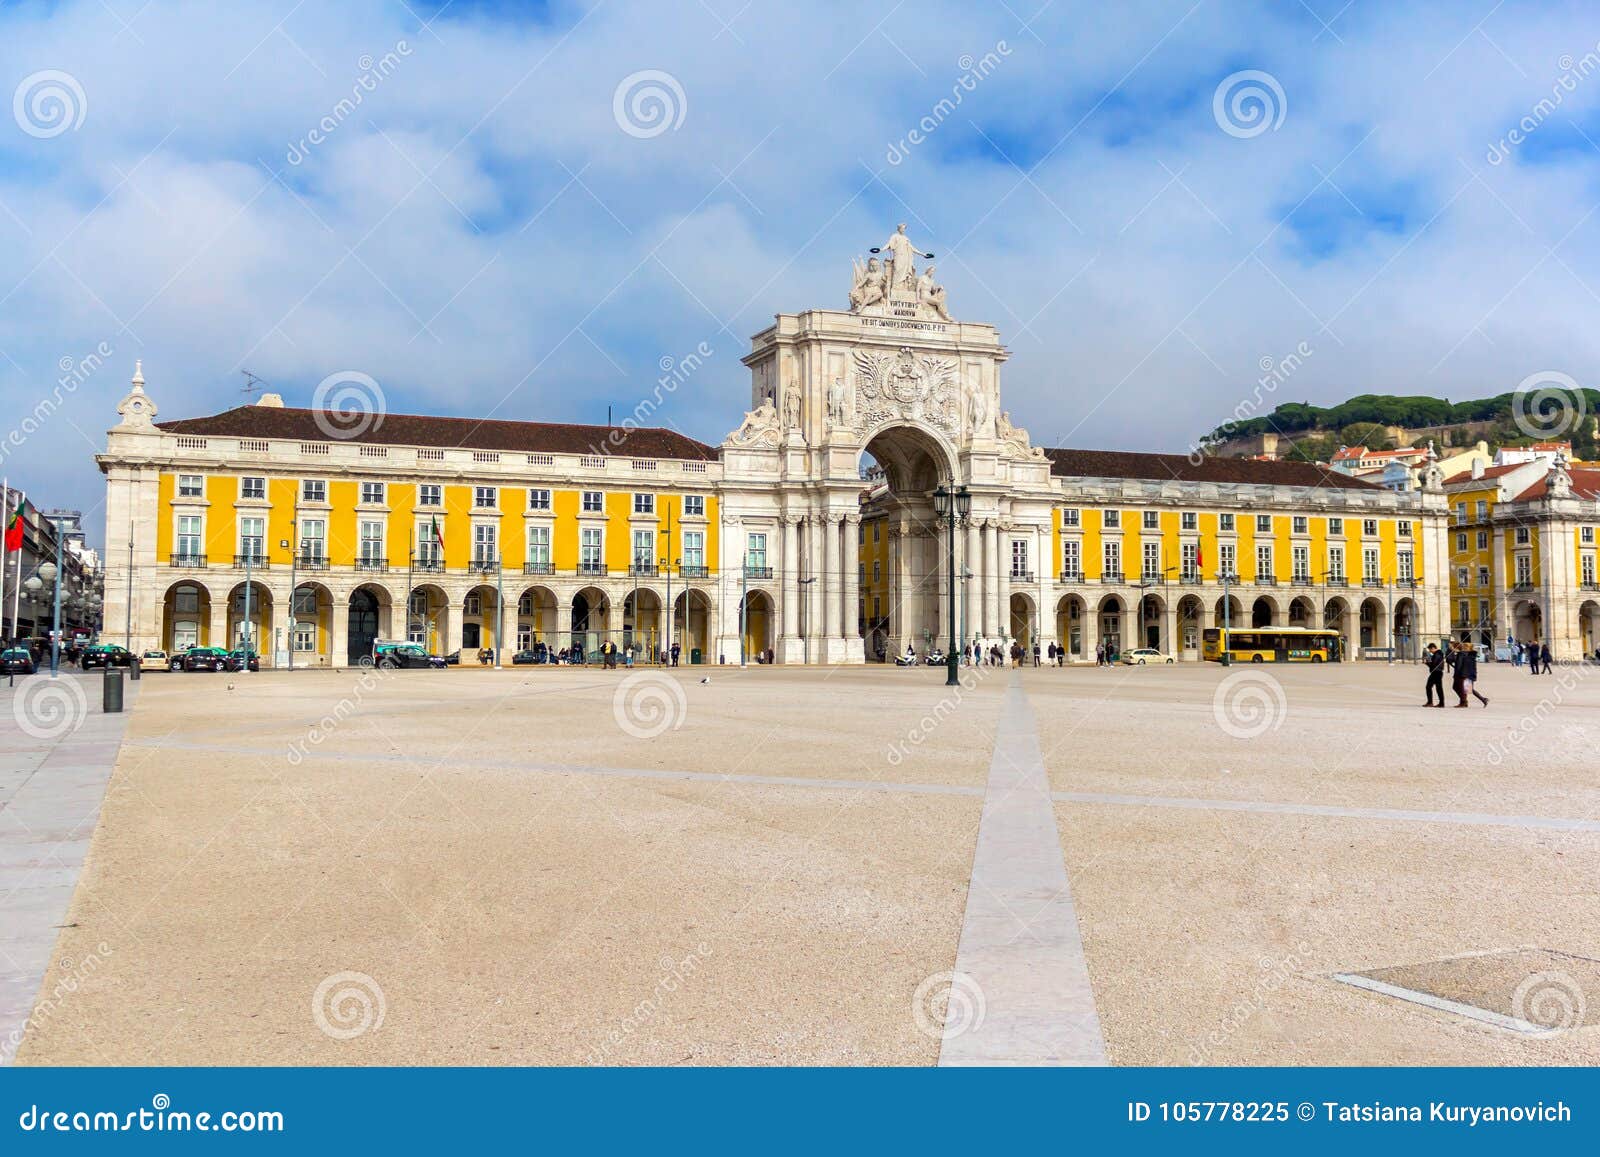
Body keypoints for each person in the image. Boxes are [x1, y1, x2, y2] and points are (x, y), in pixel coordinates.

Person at [1458, 642, 1489, 707]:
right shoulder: (1468, 655)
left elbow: (1469, 667)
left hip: (1468, 675)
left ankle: (1483, 699)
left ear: (1468, 648)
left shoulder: (1470, 656)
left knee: (1469, 689)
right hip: (1467, 674)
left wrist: (1466, 674)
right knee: (1466, 689)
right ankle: (1465, 702)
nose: (1463, 648)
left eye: (1464, 647)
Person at [1423, 642, 1446, 707]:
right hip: (1438, 672)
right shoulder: (1439, 654)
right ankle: (1440, 703)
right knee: (1438, 688)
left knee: (1429, 687)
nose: (1430, 651)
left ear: (1433, 648)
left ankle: (1431, 702)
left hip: (1436, 673)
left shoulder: (1437, 654)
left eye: (1430, 650)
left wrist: (1426, 663)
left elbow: (1433, 665)